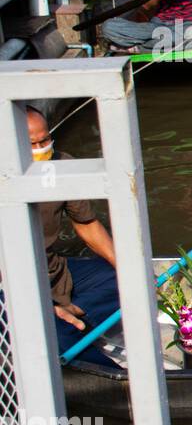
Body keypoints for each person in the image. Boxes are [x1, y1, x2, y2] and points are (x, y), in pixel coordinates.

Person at [24, 107, 119, 367]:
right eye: (33, 144)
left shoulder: (60, 165)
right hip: (13, 288)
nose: (43, 148)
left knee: (125, 280)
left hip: (53, 272)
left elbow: (86, 224)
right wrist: (42, 306)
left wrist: (128, 269)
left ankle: (73, 311)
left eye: (46, 140)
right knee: (57, 338)